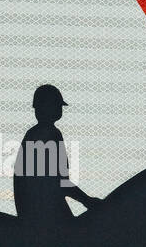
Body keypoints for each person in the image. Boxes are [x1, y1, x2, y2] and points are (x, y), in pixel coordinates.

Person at [13, 84, 100, 226]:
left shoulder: (34, 133)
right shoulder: (49, 134)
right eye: (57, 105)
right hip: (45, 211)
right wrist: (87, 200)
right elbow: (58, 182)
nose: (60, 109)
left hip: (33, 210)